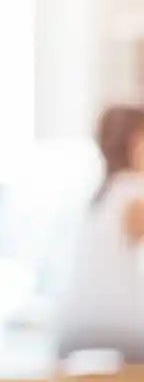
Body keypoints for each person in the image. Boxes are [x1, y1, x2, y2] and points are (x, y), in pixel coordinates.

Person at [56, 104, 144, 363]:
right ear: (135, 142)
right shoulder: (134, 191)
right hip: (125, 328)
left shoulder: (99, 195)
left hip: (71, 330)